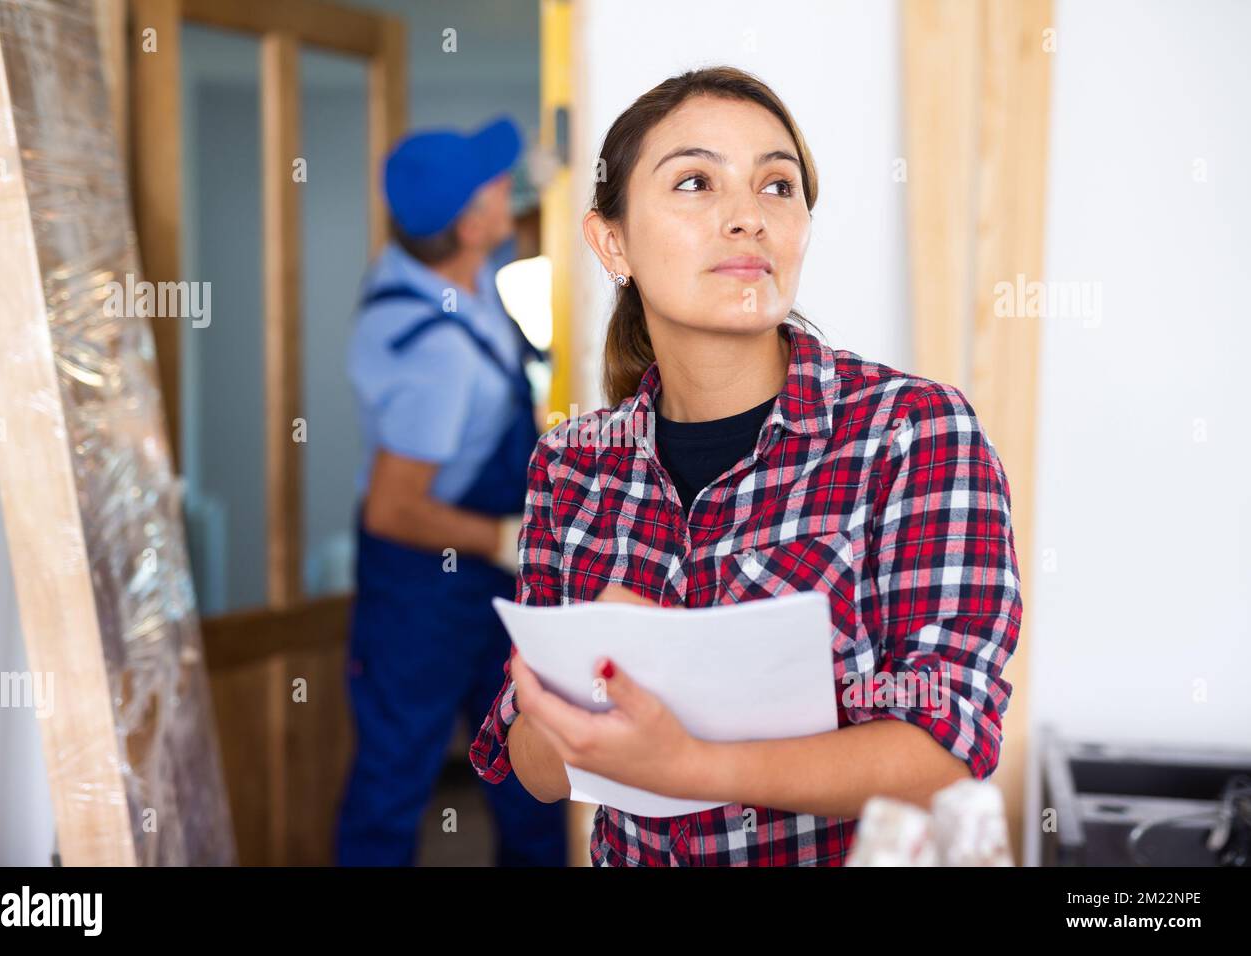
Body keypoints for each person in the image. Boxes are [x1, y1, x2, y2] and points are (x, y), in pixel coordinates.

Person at [468, 67, 1022, 866]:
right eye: (696, 181)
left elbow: (947, 745)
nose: (747, 219)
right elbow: (531, 764)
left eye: (777, 185)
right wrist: (594, 688)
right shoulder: (573, 462)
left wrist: (692, 761)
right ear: (611, 241)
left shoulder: (912, 432)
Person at [336, 114, 567, 866]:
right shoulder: (433, 353)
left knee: (530, 772)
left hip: (483, 579)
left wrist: (551, 172)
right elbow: (393, 507)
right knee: (395, 780)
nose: (508, 192)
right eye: (495, 187)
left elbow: (514, 222)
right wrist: (508, 539)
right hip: (423, 588)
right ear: (471, 223)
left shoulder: (441, 276)